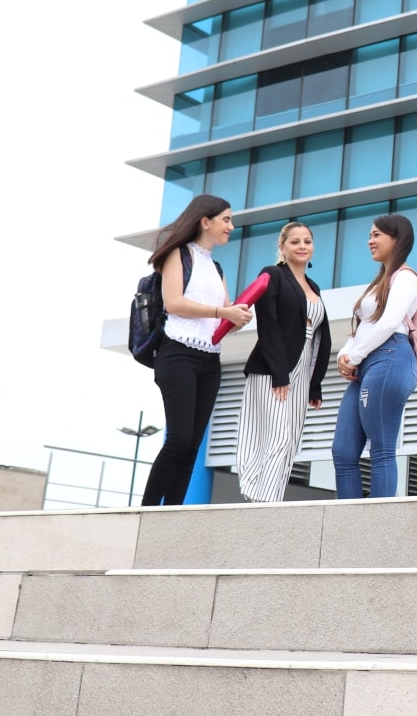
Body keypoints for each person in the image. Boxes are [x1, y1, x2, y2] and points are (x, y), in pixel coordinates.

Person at [142, 195, 255, 507]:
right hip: (177, 353)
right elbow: (174, 303)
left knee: (192, 444)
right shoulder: (177, 255)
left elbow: (224, 316)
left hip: (210, 359)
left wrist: (237, 318)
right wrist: (223, 313)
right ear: (205, 221)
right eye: (226, 219)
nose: (231, 226)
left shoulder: (216, 267)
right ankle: (146, 511)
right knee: (178, 438)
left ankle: (173, 512)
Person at [237, 222, 333, 503]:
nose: (302, 246)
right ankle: (263, 502)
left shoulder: (314, 286)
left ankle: (271, 500)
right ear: (282, 247)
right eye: (295, 242)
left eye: (307, 241)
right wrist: (280, 374)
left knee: (289, 442)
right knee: (273, 436)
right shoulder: (272, 275)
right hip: (273, 367)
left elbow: (319, 337)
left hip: (302, 370)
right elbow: (268, 326)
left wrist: (315, 385)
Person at [332, 213, 417, 499]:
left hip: (390, 357)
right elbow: (365, 326)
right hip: (367, 362)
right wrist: (344, 355)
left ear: (397, 239)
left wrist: (354, 356)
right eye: (369, 235)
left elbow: (388, 322)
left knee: (381, 447)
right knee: (343, 451)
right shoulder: (379, 281)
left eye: (376, 235)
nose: (370, 241)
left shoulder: (406, 278)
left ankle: (377, 526)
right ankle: (349, 524)